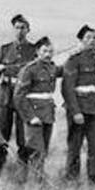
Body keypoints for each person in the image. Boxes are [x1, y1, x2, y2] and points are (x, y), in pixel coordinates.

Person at [0, 13, 36, 176]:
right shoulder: (4, 49)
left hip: (24, 98)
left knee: (23, 137)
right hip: (5, 97)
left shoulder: (33, 51)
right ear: (13, 29)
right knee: (2, 134)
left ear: (28, 30)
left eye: (23, 27)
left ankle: (22, 170)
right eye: (17, 27)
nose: (20, 31)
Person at [62, 25, 95, 187]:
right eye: (88, 38)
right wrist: (75, 112)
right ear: (81, 40)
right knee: (75, 145)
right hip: (79, 108)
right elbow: (67, 89)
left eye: (94, 38)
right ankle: (71, 178)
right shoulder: (74, 60)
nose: (92, 41)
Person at [14, 36, 61, 181]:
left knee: (44, 149)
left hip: (47, 113)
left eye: (51, 51)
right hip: (34, 114)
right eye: (45, 51)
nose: (48, 54)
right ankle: (37, 182)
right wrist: (30, 117)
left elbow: (66, 69)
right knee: (36, 150)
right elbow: (19, 96)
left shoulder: (52, 68)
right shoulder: (29, 69)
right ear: (37, 52)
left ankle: (27, 178)